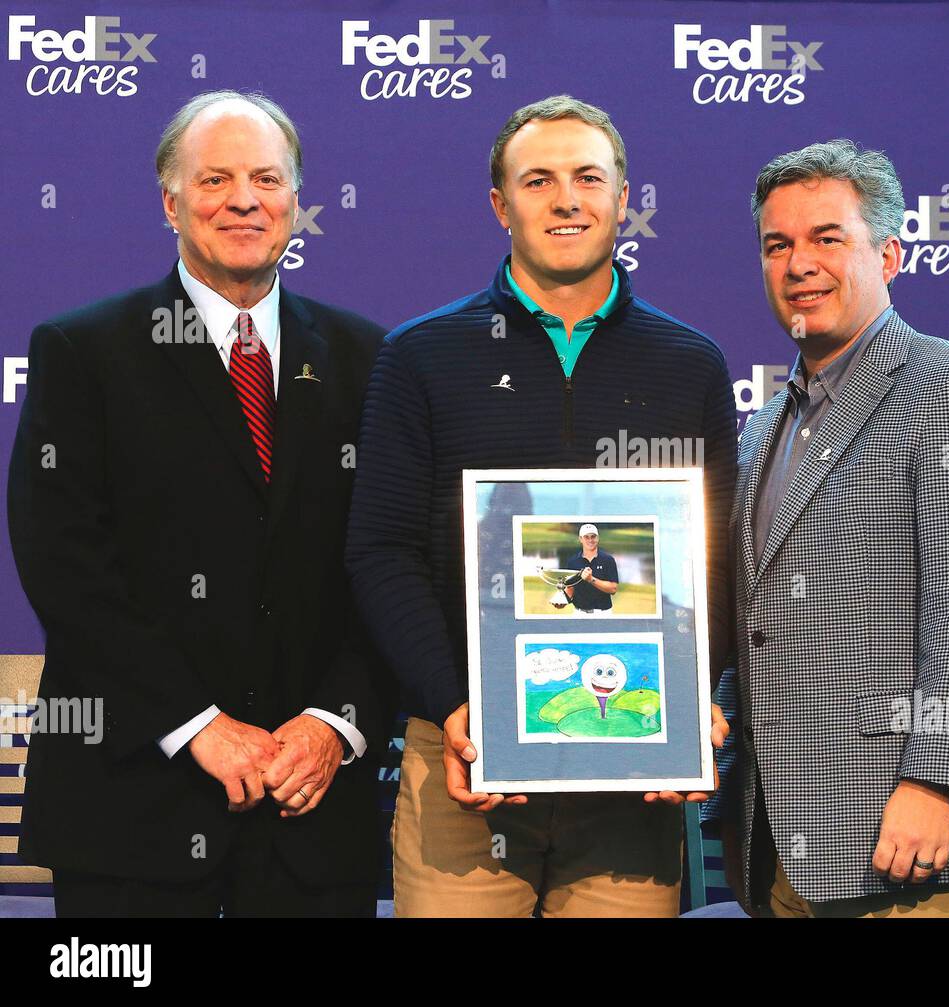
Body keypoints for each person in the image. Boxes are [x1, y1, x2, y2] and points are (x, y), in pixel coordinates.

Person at [345, 95, 735, 917]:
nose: (567, 199)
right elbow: (381, 550)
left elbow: (718, 559)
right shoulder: (420, 356)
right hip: (462, 761)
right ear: (500, 204)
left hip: (634, 769)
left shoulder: (689, 362)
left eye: (589, 178)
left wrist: (690, 696)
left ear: (624, 199)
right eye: (539, 180)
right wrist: (455, 707)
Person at [8, 91, 392, 917]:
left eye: (266, 177)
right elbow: (64, 561)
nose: (244, 199)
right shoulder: (84, 351)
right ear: (169, 201)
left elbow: (395, 561)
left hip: (313, 813)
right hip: (131, 811)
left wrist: (334, 722)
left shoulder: (373, 359)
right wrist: (195, 723)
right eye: (214, 178)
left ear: (295, 199)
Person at [723, 140, 949, 917]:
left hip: (924, 862)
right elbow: (758, 625)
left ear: (890, 254)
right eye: (778, 244)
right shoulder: (764, 429)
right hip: (785, 858)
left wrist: (937, 779)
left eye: (828, 238)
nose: (800, 263)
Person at [562, 523, 618, 612]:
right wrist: (562, 602)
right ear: (580, 539)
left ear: (598, 538)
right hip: (579, 613)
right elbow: (570, 588)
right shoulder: (573, 561)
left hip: (602, 613)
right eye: (586, 537)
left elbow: (613, 589)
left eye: (593, 536)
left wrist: (591, 579)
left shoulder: (608, 560)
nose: (590, 540)